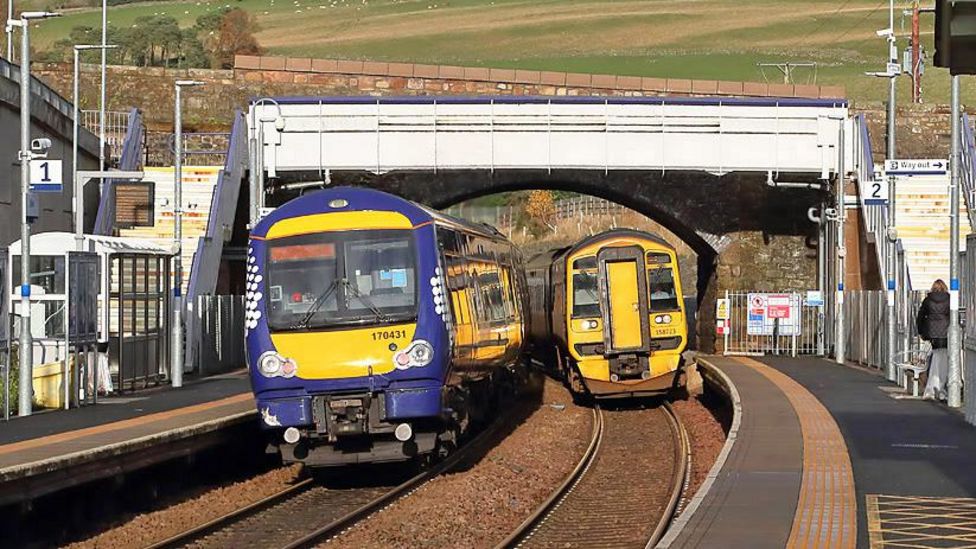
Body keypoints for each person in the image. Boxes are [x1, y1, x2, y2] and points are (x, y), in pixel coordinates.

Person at [917, 279, 950, 400]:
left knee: (935, 357)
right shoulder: (949, 299)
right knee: (944, 360)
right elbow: (953, 315)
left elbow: (920, 316)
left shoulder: (928, 300)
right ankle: (941, 389)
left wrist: (921, 331)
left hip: (932, 333)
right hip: (946, 333)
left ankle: (932, 388)